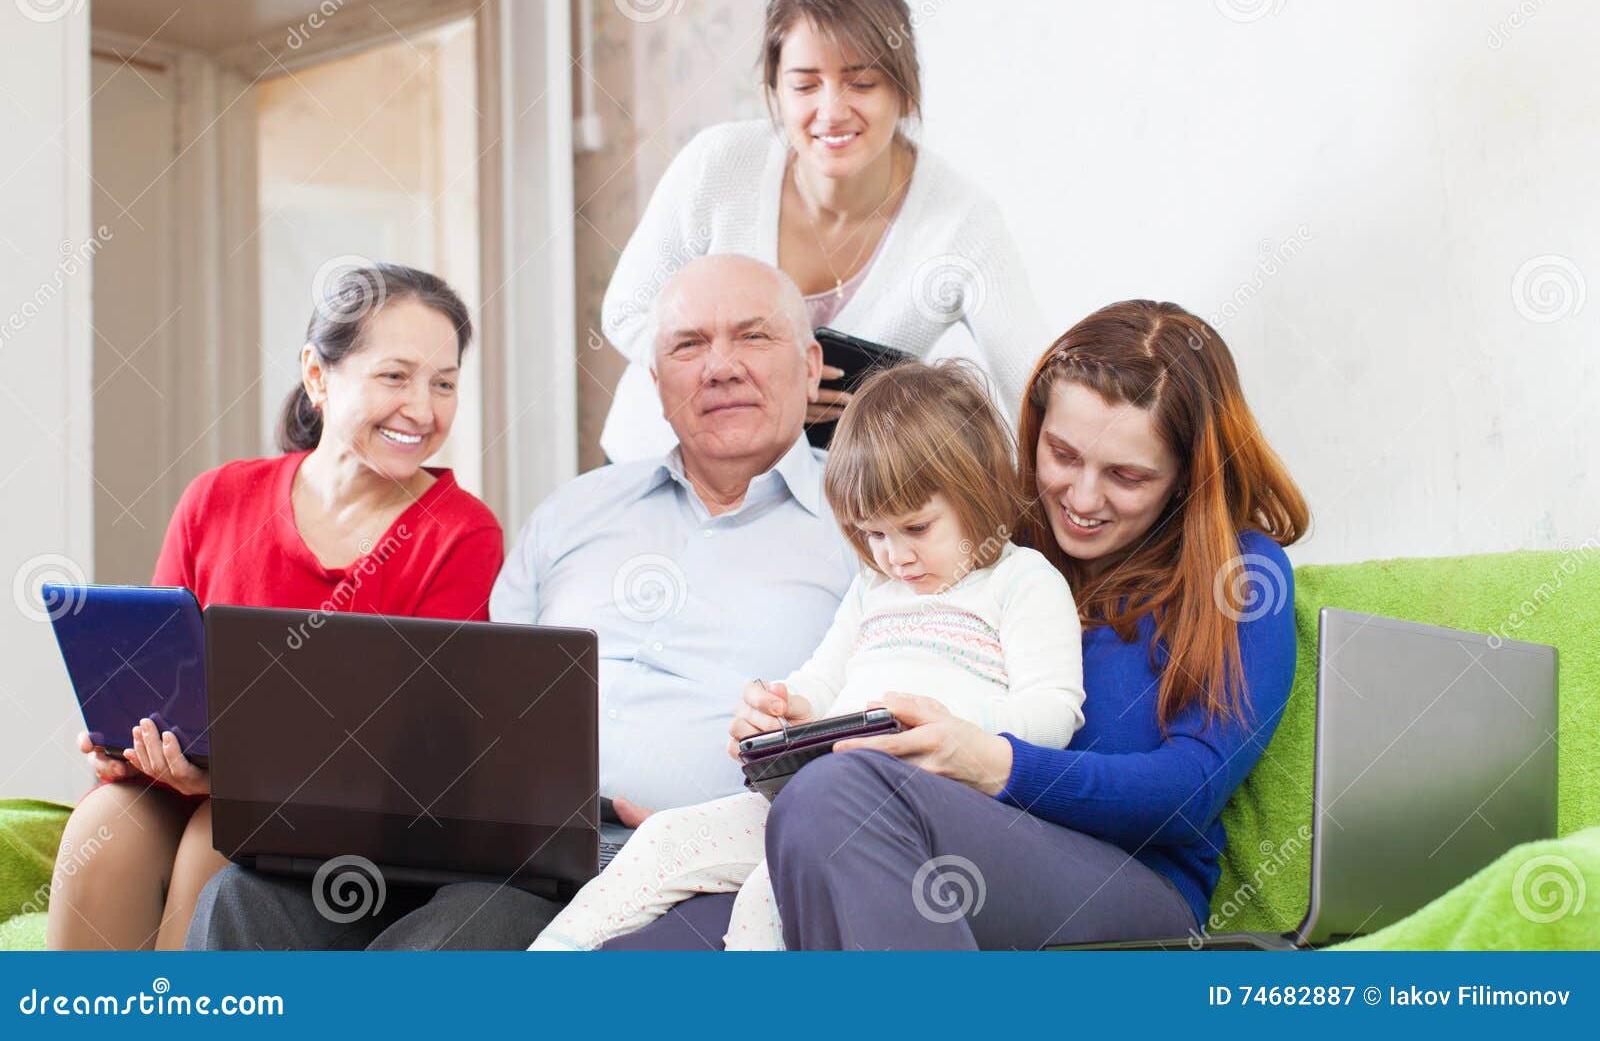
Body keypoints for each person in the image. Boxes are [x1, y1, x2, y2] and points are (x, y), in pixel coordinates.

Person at [186, 254, 858, 949]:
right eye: (688, 345)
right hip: (490, 837)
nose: (719, 366)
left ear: (810, 366)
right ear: (656, 385)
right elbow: (468, 682)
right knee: (246, 899)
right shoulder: (576, 510)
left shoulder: (867, 531)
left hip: (677, 853)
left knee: (463, 939)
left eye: (752, 336)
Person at [602, 299, 1310, 950]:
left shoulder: (1240, 573)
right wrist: (783, 724)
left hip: (1131, 881)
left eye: (1126, 475)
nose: (1083, 497)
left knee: (835, 797)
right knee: (653, 949)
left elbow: (1188, 791)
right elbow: (861, 673)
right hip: (912, 835)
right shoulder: (984, 544)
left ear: (1188, 475)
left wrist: (993, 761)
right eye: (1062, 455)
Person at [530, 361, 1084, 951]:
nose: (893, 555)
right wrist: (784, 704)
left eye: (916, 528)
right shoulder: (876, 587)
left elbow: (1056, 713)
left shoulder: (1022, 581)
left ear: (979, 492)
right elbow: (822, 679)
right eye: (872, 534)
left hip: (915, 813)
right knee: (665, 838)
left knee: (767, 895)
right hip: (812, 794)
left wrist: (962, 726)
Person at [46, 264, 503, 951]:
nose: (423, 408)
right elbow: (159, 668)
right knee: (100, 829)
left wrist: (232, 776)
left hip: (333, 817)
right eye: (395, 376)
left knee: (217, 835)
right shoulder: (218, 497)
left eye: (443, 382)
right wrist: (127, 741)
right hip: (188, 780)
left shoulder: (460, 533)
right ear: (318, 376)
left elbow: (422, 751)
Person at [598, 0, 1046, 463]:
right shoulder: (717, 165)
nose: (831, 111)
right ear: (775, 90)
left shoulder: (962, 224)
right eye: (805, 85)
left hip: (820, 505)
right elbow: (627, 311)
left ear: (903, 89)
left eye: (862, 82)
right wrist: (765, 381)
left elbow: (1033, 393)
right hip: (658, 468)